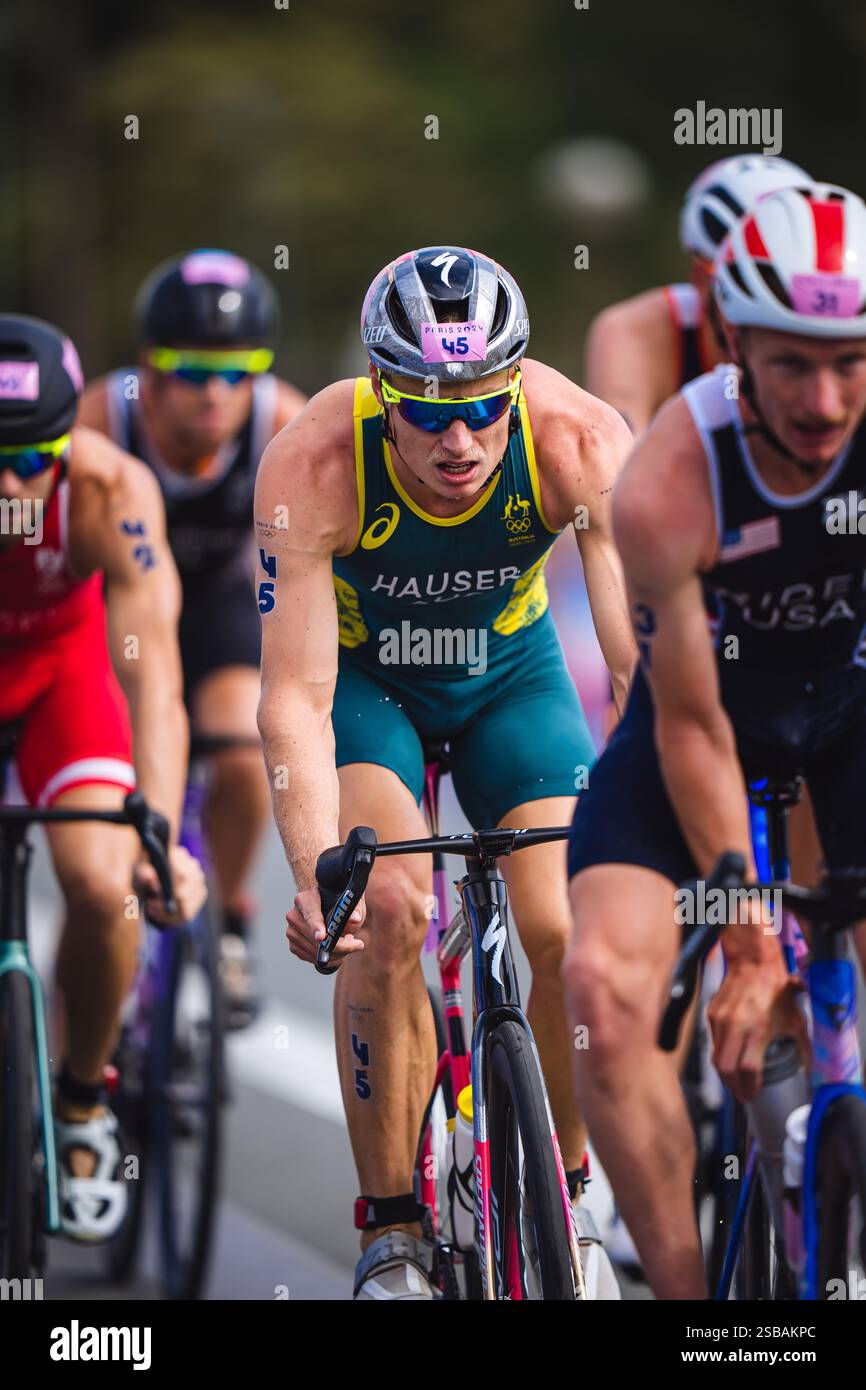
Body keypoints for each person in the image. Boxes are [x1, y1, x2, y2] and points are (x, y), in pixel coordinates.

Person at [256, 244, 636, 1299]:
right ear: (380, 395)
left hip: (512, 681)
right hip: (371, 690)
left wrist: (652, 824)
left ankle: (569, 1191)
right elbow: (290, 693)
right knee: (387, 907)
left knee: (563, 922)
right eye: (425, 411)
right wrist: (308, 866)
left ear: (514, 386)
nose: (459, 437)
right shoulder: (313, 461)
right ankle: (390, 1230)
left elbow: (635, 655)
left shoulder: (576, 438)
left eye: (480, 405)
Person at [564, 183, 866, 1298]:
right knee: (601, 989)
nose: (824, 400)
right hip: (705, 733)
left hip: (849, 718)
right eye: (789, 363)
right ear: (730, 340)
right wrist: (745, 933)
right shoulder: (668, 478)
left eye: (850, 360)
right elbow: (691, 722)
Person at [0, 314, 205, 1239]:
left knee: (104, 881)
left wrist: (155, 827)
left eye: (36, 458)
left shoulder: (110, 488)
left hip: (60, 671)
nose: (12, 483)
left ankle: (82, 1099)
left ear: (68, 445)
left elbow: (155, 672)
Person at [79, 248, 307, 1028]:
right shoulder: (102, 418)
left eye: (238, 370)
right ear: (151, 367)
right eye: (190, 368)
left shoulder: (283, 419)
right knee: (120, 776)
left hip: (217, 608)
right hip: (116, 617)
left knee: (246, 754)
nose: (216, 392)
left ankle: (232, 921)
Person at [585, 155, 811, 435]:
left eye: (783, 288)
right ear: (700, 280)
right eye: (742, 286)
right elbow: (619, 463)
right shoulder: (637, 330)